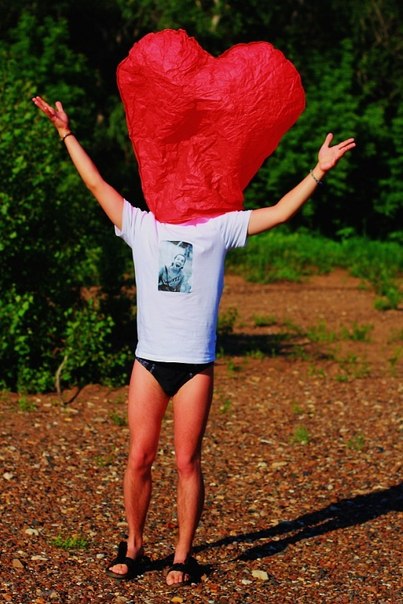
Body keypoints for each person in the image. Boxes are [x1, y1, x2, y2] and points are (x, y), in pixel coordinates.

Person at [32, 95, 355, 587]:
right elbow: (96, 183)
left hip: (194, 365)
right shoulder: (141, 224)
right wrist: (65, 133)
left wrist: (318, 171)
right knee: (139, 457)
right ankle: (134, 546)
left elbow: (279, 213)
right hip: (149, 362)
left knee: (187, 461)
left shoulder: (219, 227)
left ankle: (183, 555)